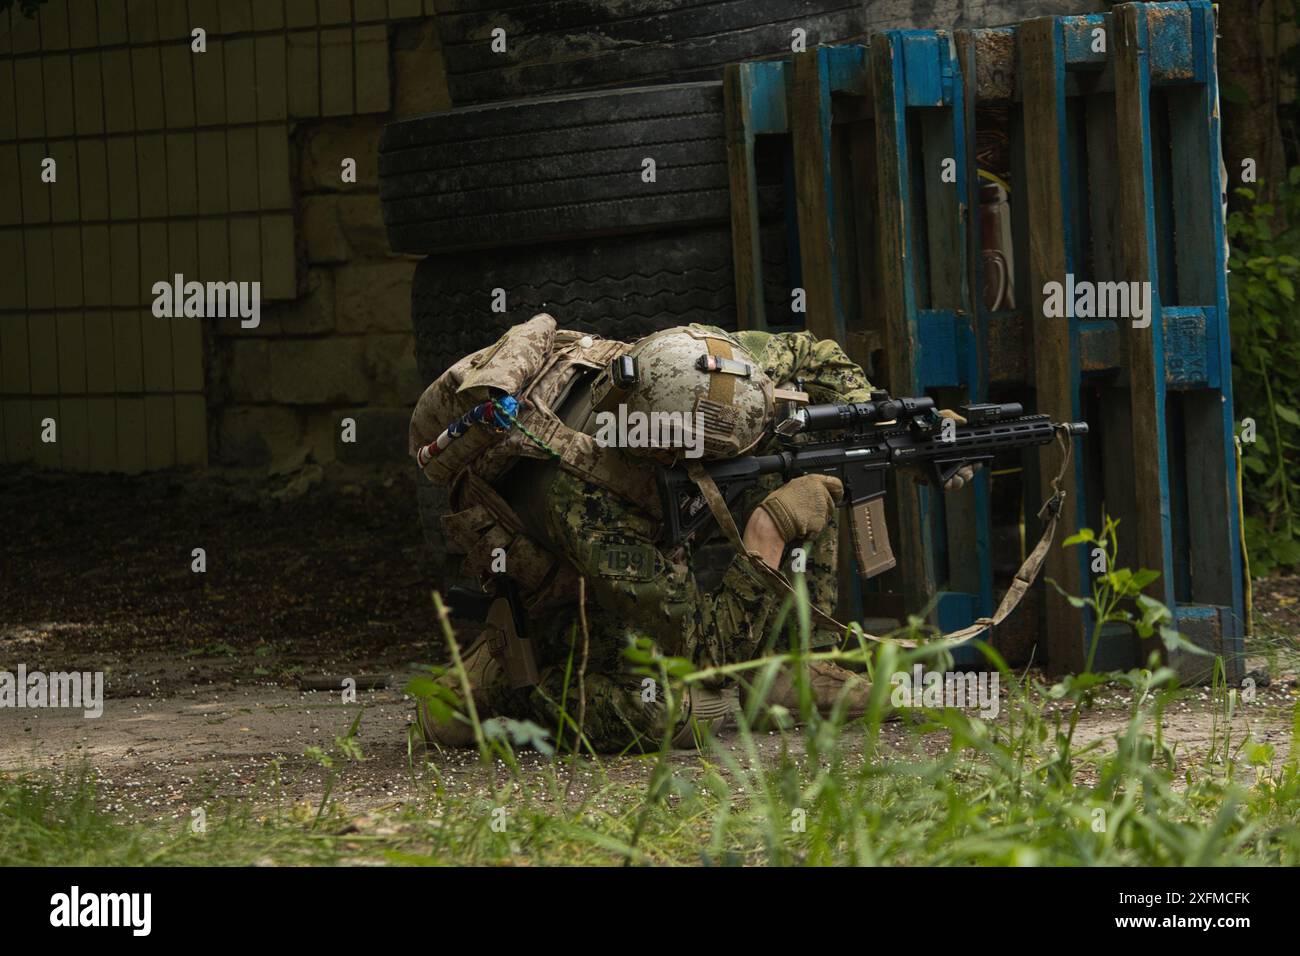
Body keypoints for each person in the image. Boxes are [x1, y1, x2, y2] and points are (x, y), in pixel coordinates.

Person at [408, 316, 962, 752]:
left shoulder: (694, 365)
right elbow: (703, 646)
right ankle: (495, 692)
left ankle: (794, 666)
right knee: (662, 714)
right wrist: (768, 531)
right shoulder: (593, 507)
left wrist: (894, 430)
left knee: (810, 447)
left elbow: (814, 356)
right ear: (678, 457)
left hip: (631, 538)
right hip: (562, 591)